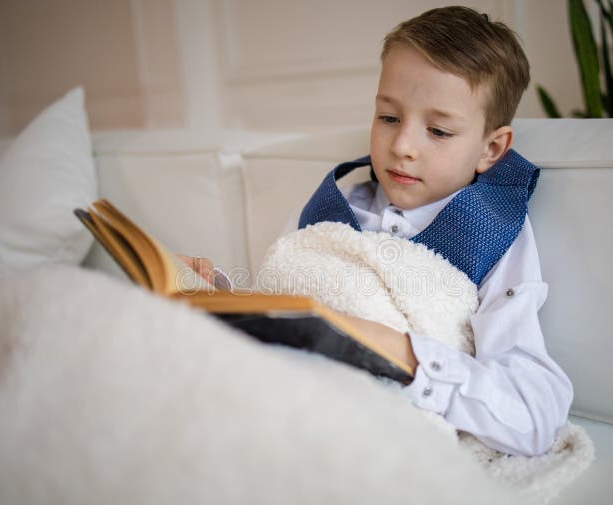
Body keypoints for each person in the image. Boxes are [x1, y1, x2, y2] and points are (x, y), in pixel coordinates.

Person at [181, 6, 572, 457]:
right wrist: (223, 297)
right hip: (277, 397)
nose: (402, 146)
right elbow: (285, 304)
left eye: (438, 131)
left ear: (491, 148)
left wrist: (395, 350)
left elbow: (534, 413)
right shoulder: (333, 208)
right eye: (389, 118)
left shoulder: (492, 233)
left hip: (370, 429)